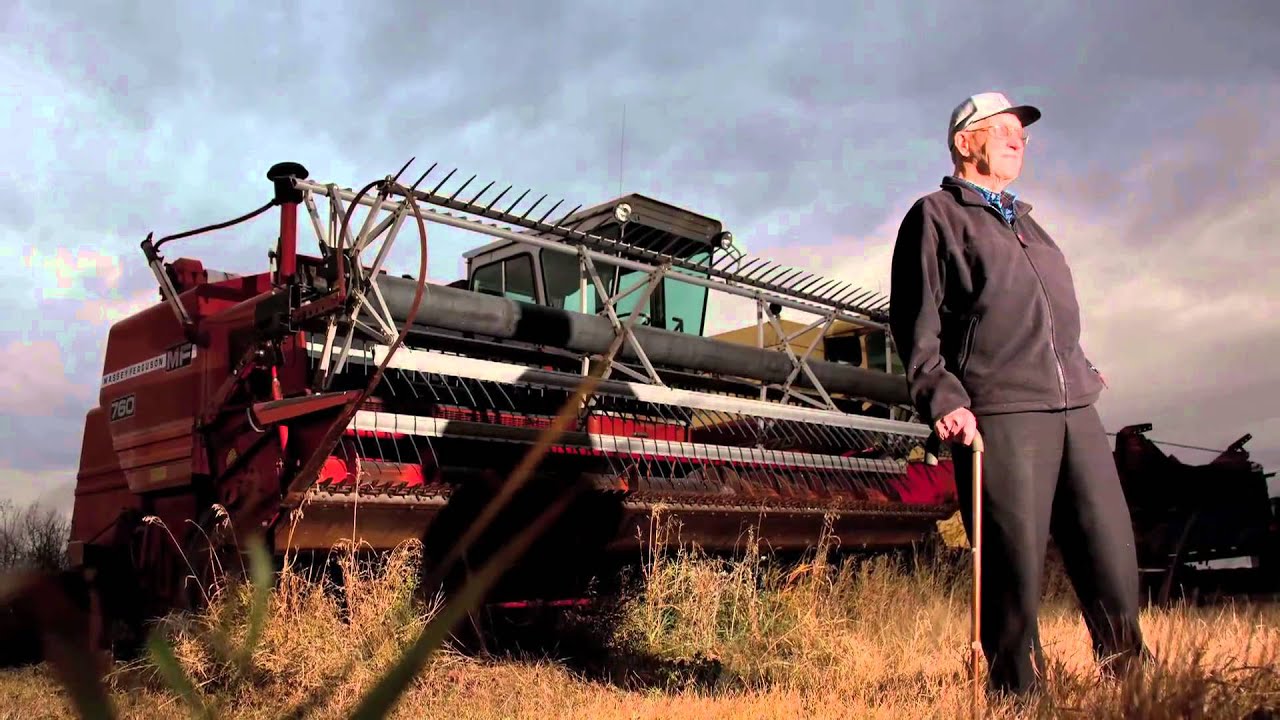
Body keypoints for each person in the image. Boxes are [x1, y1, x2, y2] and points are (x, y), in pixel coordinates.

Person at [888, 92, 1148, 698]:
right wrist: (942, 396)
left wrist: (1077, 363)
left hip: (1073, 406)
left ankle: (1134, 683)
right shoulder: (935, 217)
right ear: (964, 141)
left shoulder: (1029, 223)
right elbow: (916, 322)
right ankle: (1019, 695)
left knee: (1108, 548)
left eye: (1022, 134)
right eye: (1002, 129)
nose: (1017, 139)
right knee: (1014, 563)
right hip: (1000, 411)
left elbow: (1047, 312)